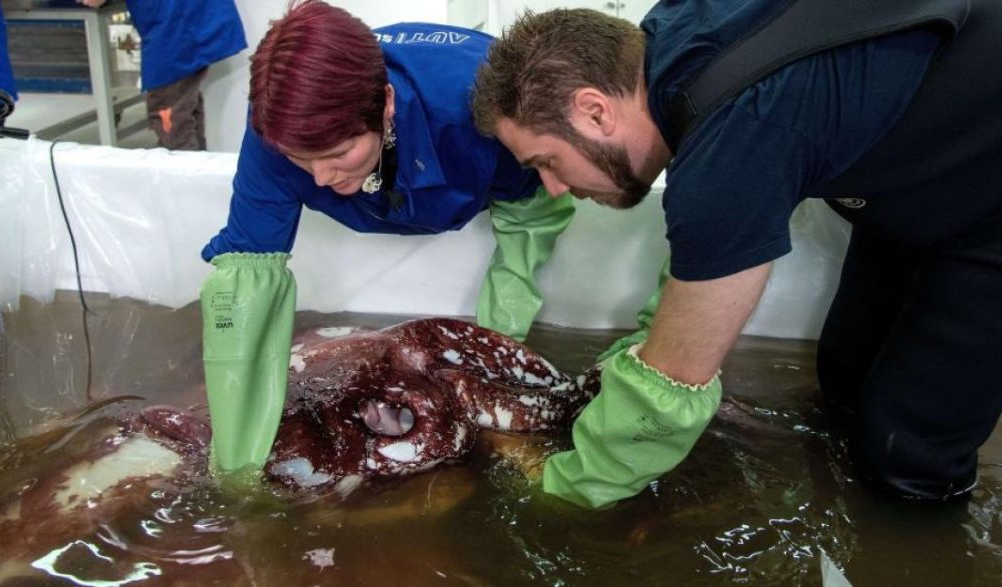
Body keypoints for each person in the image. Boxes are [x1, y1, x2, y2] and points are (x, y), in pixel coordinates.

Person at [472, 0, 1002, 509]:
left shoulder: (737, 133)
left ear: (594, 111)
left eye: (547, 161)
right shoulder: (669, 46)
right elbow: (698, 262)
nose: (553, 188)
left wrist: (555, 489)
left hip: (987, 215)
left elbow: (670, 386)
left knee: (906, 451)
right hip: (910, 172)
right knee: (844, 380)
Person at [199, 1, 574, 479]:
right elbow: (245, 279)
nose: (319, 177)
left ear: (387, 102)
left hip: (462, 133)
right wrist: (236, 464)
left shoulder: (479, 109)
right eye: (301, 158)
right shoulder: (278, 131)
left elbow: (530, 217)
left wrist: (495, 353)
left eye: (338, 153)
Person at [77, 0, 247, 150]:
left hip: (177, 27)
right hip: (192, 19)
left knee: (169, 113)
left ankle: (182, 174)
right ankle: (193, 170)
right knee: (183, 107)